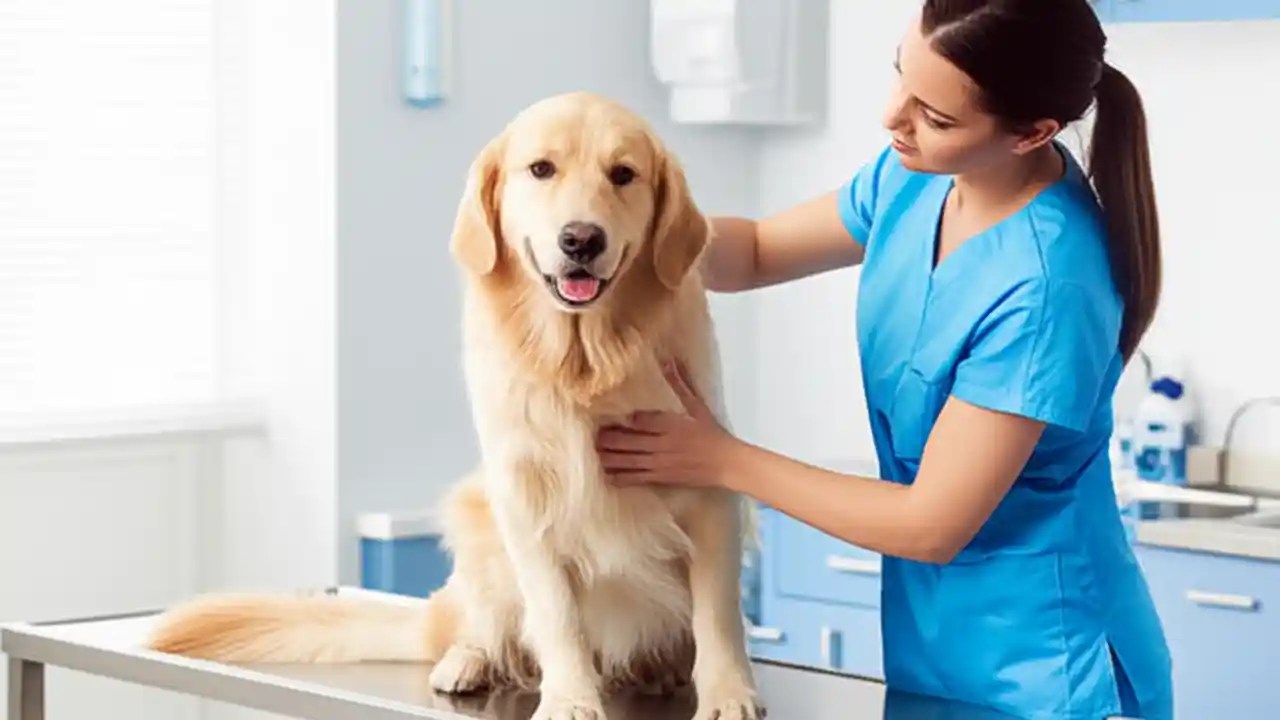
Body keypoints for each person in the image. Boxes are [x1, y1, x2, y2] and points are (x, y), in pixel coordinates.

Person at [596, 1, 1174, 718]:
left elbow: (930, 523)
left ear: (1033, 132)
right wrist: (617, 232)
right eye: (900, 75)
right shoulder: (918, 177)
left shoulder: (1050, 285)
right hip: (932, 651)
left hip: (1052, 670)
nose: (892, 117)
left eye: (935, 116)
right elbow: (754, 251)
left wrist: (719, 459)